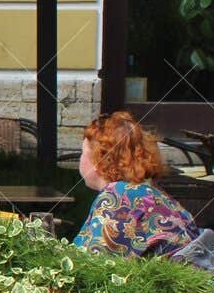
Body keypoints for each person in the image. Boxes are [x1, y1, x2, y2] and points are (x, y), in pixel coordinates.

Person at [74, 111, 203, 259]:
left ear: (99, 159)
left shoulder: (118, 195)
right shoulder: (152, 193)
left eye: (82, 152)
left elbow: (90, 263)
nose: (81, 159)